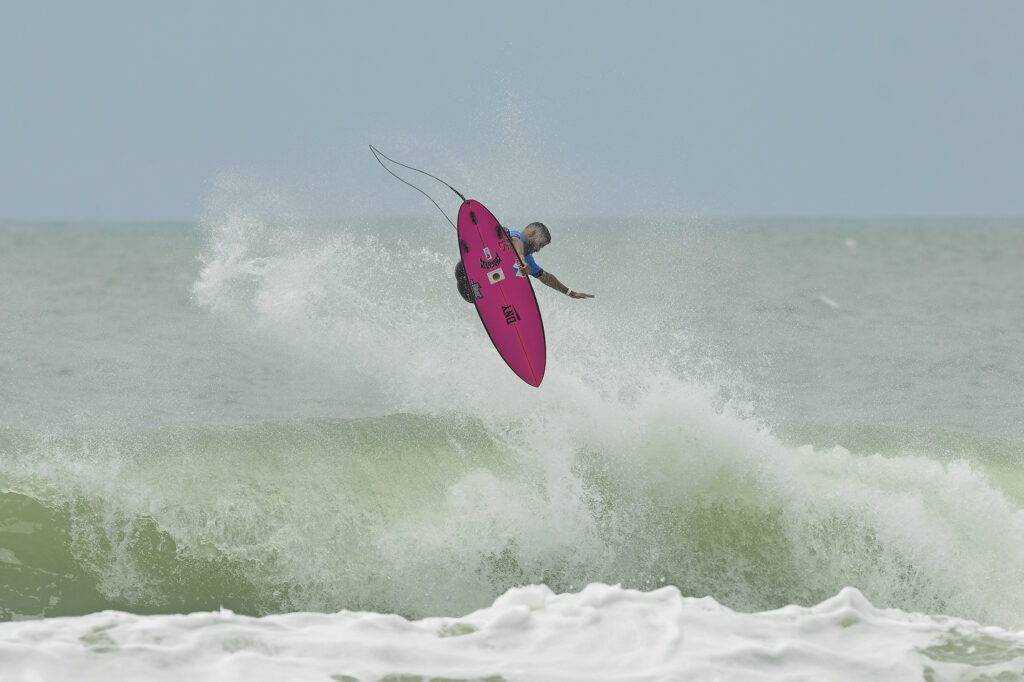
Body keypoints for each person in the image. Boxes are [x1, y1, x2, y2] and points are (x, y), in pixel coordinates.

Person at [455, 222, 594, 302]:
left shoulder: (528, 262)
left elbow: (546, 277)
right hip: (464, 269)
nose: (539, 250)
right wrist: (520, 258)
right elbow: (516, 240)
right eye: (540, 245)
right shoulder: (514, 236)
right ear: (532, 233)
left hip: (474, 292)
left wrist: (570, 293)